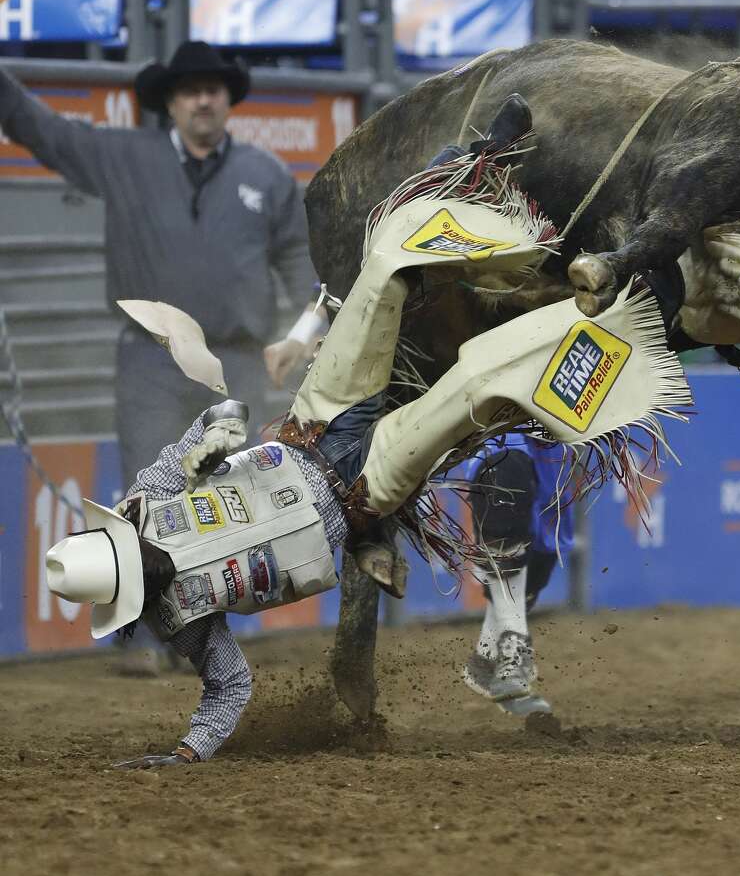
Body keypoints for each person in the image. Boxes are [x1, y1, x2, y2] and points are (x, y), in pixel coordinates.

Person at [42, 122, 685, 765]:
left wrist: (212, 441)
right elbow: (230, 690)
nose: (145, 560)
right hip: (363, 490)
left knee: (381, 274)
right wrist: (187, 753)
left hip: (313, 426)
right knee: (476, 380)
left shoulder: (149, 500)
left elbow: (223, 417)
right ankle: (636, 310)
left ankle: (471, 172)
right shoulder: (183, 622)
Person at [0, 41, 321, 487]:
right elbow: (48, 133)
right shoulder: (126, 158)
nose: (203, 101)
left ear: (228, 100)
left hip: (236, 365)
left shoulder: (265, 174)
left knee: (239, 506)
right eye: (190, 91)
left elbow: (301, 264)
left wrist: (302, 335)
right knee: (151, 500)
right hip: (152, 365)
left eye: (212, 89)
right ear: (171, 102)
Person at [457, 433, 575, 715]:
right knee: (503, 483)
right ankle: (514, 651)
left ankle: (488, 658)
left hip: (552, 431)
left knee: (541, 555)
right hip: (495, 422)